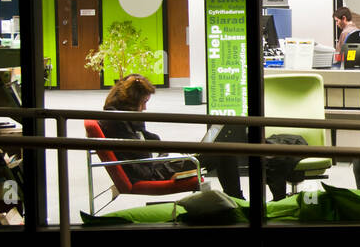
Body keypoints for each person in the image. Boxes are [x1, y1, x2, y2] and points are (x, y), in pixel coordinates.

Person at [99, 74, 299, 201]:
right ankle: (237, 200)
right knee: (223, 151)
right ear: (132, 100)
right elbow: (139, 159)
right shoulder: (120, 121)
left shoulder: (117, 116)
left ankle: (237, 199)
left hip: (155, 166)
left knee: (220, 149)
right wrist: (160, 151)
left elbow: (144, 144)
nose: (145, 108)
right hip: (154, 171)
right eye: (143, 102)